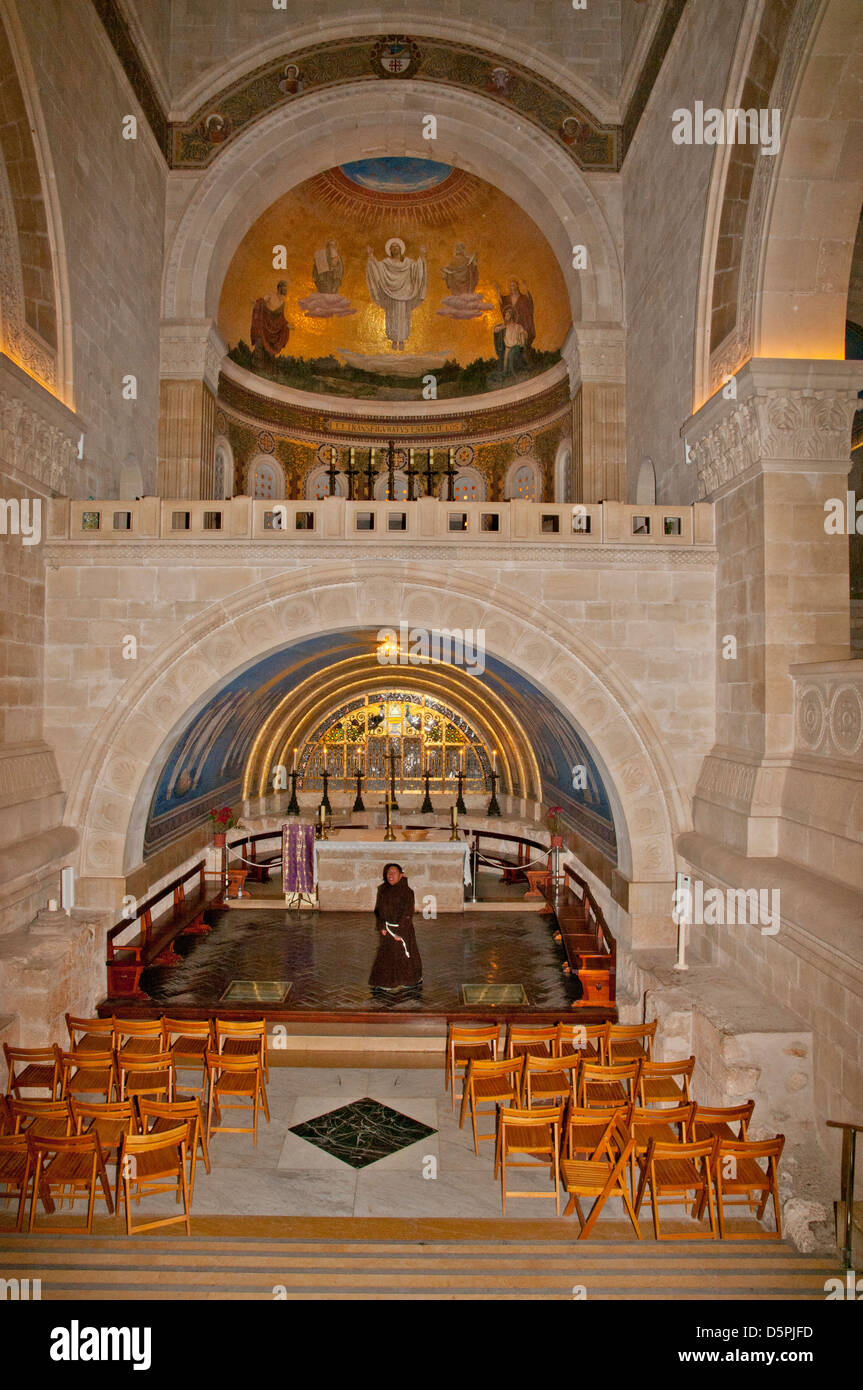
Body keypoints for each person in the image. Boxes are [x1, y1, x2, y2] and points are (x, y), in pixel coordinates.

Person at [369, 862, 423, 993]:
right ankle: (385, 981)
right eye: (388, 872)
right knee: (386, 956)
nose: (390, 875)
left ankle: (411, 980)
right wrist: (381, 925)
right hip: (387, 929)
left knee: (404, 956)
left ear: (401, 875)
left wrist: (400, 932)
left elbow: (407, 913)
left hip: (402, 929)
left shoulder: (407, 892)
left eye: (394, 872)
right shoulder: (382, 890)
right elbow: (378, 910)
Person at [366, 238, 427, 350]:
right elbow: (377, 267)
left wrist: (422, 255)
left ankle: (402, 340)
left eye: (397, 247)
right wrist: (371, 256)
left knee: (403, 317)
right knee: (392, 316)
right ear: (390, 250)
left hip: (405, 294)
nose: (395, 249)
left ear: (401, 249)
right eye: (393, 247)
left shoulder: (408, 263)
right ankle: (394, 340)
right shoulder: (386, 263)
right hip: (390, 294)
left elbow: (417, 269)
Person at [250, 281, 290, 358]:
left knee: (270, 354)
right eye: (284, 288)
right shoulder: (271, 295)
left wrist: (286, 324)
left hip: (274, 330)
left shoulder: (282, 302)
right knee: (260, 348)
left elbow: (281, 318)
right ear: (279, 288)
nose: (286, 291)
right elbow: (261, 302)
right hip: (265, 326)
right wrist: (256, 303)